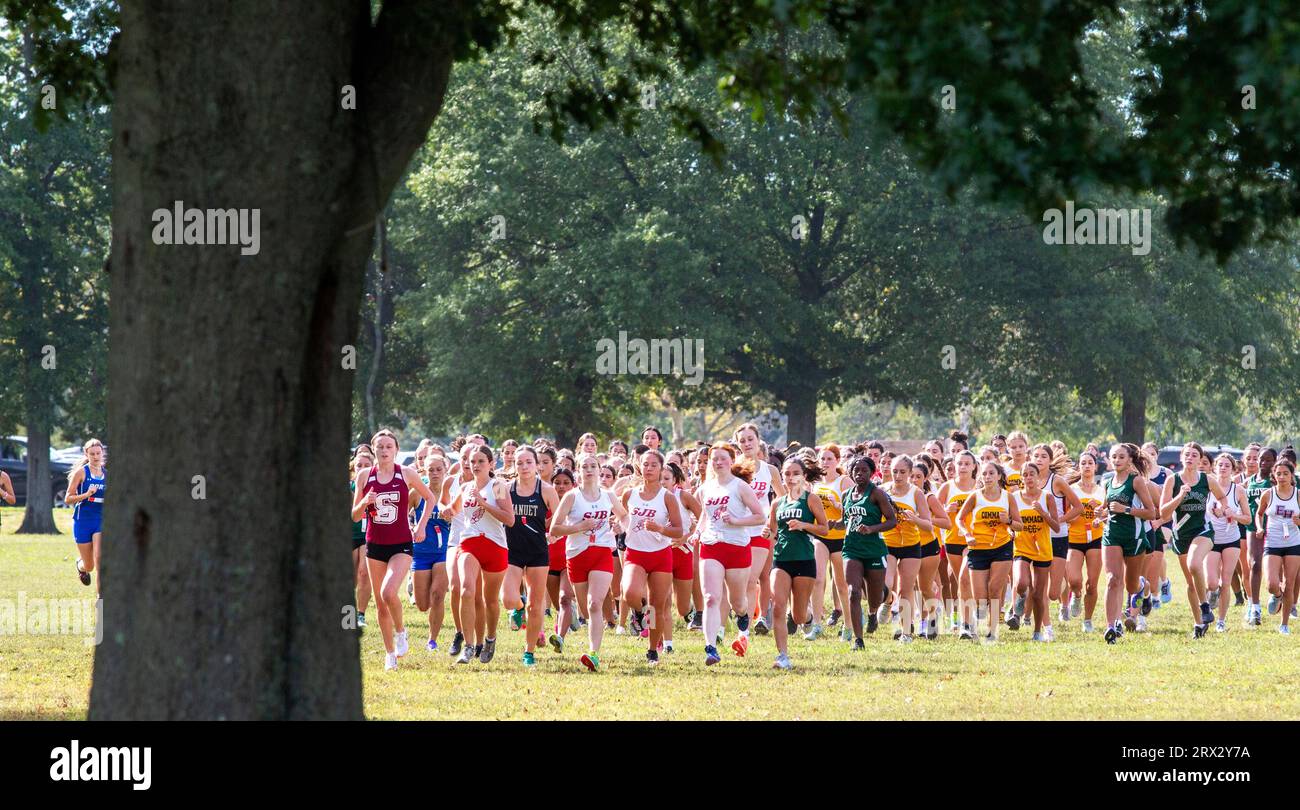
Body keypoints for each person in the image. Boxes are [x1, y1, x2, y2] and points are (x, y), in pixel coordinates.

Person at [351, 429, 440, 671]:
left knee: (389, 592)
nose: (384, 451)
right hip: (375, 544)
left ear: (396, 450)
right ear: (373, 449)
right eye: (380, 446)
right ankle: (390, 654)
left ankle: (401, 632)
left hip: (401, 544)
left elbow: (430, 499)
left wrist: (421, 526)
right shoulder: (363, 476)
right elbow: (354, 514)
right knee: (380, 604)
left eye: (389, 446)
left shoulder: (406, 473)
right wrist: (363, 502)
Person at [689, 443, 767, 665]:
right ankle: (711, 648)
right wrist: (697, 533)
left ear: (731, 461)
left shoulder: (740, 487)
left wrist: (736, 521)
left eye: (723, 458)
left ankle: (744, 616)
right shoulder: (706, 488)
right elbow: (705, 515)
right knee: (711, 598)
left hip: (737, 547)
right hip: (711, 545)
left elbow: (759, 517)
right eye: (715, 459)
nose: (718, 462)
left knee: (737, 601)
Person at [551, 453, 629, 671]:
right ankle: (577, 618)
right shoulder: (572, 497)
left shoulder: (608, 495)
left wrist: (620, 527)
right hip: (577, 555)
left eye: (592, 466)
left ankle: (593, 653)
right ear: (578, 471)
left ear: (598, 469)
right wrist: (580, 527)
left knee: (595, 603)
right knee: (586, 610)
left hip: (602, 552)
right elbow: (555, 528)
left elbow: (623, 516)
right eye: (584, 466)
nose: (589, 470)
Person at [452, 444, 517, 664]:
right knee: (467, 591)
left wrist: (483, 503)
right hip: (469, 543)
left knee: (490, 601)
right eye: (472, 461)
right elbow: (453, 508)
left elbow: (509, 519)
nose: (476, 465)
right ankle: (469, 646)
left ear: (491, 464)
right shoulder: (465, 487)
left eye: (481, 461)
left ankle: (490, 638)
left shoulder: (497, 486)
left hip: (495, 546)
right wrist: (443, 510)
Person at [1158, 442, 1231, 639]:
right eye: (1187, 454)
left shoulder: (1207, 480)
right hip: (1181, 535)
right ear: (1181, 458)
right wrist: (1180, 496)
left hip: (1203, 531)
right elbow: (1163, 512)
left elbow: (1222, 498)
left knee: (1194, 563)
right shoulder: (1172, 481)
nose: (1190, 457)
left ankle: (1205, 605)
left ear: (1200, 460)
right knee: (1191, 582)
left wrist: (1222, 508)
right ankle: (1199, 623)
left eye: (1194, 455)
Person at [620, 449, 685, 665]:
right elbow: (621, 519)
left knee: (657, 605)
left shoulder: (667, 497)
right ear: (639, 466)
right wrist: (617, 526)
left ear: (661, 468)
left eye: (653, 465)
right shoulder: (630, 494)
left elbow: (678, 530)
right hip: (635, 553)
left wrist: (660, 528)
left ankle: (652, 651)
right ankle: (638, 613)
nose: (648, 468)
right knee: (630, 593)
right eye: (645, 464)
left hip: (660, 555)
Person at [768, 456, 830, 669]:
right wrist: (767, 532)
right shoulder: (777, 502)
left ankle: (810, 616)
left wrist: (804, 525)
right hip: (781, 560)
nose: (791, 477)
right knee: (777, 607)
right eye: (787, 473)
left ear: (803, 477)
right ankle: (782, 656)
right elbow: (772, 532)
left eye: (795, 473)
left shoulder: (811, 499)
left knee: (799, 616)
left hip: (804, 560)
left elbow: (824, 529)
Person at [502, 446, 560, 666]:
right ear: (514, 466)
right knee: (508, 598)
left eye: (528, 462)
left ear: (537, 465)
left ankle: (529, 652)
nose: (524, 467)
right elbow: (497, 515)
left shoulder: (546, 489)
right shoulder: (505, 489)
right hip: (511, 550)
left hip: (537, 552)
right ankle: (518, 607)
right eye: (520, 463)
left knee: (536, 606)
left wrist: (552, 532)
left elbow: (558, 515)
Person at [1098, 443, 1160, 643]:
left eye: (1121, 457)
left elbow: (1152, 512)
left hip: (1134, 536)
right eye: (1113, 456)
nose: (1116, 460)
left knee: (1131, 586)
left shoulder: (1137, 481)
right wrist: (1101, 514)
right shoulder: (1107, 482)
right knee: (1112, 580)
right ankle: (1112, 625)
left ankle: (1143, 586)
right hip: (1112, 535)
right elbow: (1107, 508)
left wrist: (1126, 510)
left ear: (1130, 460)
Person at [956, 460, 1022, 641]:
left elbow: (1020, 526)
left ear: (999, 476)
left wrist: (1008, 521)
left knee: (994, 589)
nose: (987, 477)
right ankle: (978, 619)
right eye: (984, 474)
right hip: (977, 548)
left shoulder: (1008, 497)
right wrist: (967, 534)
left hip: (1002, 547)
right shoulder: (975, 496)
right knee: (980, 599)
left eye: (991, 473)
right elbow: (959, 519)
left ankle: (992, 633)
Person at [734, 423, 784, 636]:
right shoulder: (733, 469)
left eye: (750, 439)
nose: (747, 444)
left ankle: (747, 628)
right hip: (735, 531)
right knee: (739, 580)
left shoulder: (769, 470)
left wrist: (774, 522)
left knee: (753, 577)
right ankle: (739, 615)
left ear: (758, 441)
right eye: (742, 440)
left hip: (761, 530)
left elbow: (782, 498)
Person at [841, 455, 897, 648]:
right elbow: (845, 522)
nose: (860, 474)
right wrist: (833, 525)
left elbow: (892, 520)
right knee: (853, 593)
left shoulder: (877, 494)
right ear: (851, 473)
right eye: (856, 470)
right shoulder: (846, 495)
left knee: (874, 599)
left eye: (864, 470)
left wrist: (872, 529)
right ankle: (858, 639)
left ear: (872, 473)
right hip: (851, 549)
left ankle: (880, 603)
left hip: (874, 550)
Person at [1008, 463, 1060, 640]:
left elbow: (1057, 527)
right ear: (1021, 478)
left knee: (1038, 594)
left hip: (1043, 550)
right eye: (1025, 475)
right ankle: (1020, 600)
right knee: (1021, 582)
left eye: (1032, 474)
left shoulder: (1047, 498)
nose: (1029, 478)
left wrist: (1043, 513)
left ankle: (1037, 631)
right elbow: (1010, 523)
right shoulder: (1014, 498)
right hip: (1022, 547)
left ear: (1038, 477)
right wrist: (1010, 531)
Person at [808, 445, 850, 640]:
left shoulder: (844, 481)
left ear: (837, 461)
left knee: (841, 583)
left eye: (829, 459)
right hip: (821, 536)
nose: (825, 462)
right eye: (822, 459)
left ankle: (849, 625)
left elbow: (854, 510)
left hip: (841, 538)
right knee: (817, 579)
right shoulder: (815, 483)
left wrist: (838, 505)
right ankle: (816, 624)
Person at [1205, 452, 1250, 632]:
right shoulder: (1207, 487)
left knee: (1225, 580)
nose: (1223, 468)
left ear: (1233, 469)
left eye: (1227, 465)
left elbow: (1248, 518)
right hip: (1210, 539)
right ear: (1214, 467)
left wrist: (1234, 515)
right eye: (1220, 465)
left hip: (1231, 539)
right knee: (1211, 583)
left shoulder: (1238, 490)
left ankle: (1221, 622)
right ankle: (1211, 596)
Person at [410, 452, 451, 649]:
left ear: (445, 470)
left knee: (437, 595)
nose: (435, 473)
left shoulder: (451, 493)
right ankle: (431, 635)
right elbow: (402, 516)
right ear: (424, 471)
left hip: (444, 552)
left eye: (438, 469)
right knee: (422, 605)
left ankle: (432, 640)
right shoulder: (416, 493)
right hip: (421, 552)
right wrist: (411, 529)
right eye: (430, 470)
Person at [1063, 452, 1105, 632]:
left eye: (1090, 463)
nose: (1087, 466)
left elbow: (1107, 515)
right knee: (1074, 580)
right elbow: (1065, 516)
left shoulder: (1102, 490)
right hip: (1074, 538)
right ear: (1078, 467)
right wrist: (1075, 515)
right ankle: (1076, 595)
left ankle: (1087, 620)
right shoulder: (1071, 489)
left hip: (1096, 538)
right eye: (1083, 463)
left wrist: (1100, 516)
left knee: (1092, 584)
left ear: (1095, 466)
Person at [1257, 459, 1300, 633]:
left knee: (1289, 584)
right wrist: (1259, 527)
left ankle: (1284, 625)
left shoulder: (1298, 495)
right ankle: (1276, 596)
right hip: (1272, 541)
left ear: (1292, 475)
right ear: (1274, 475)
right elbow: (1259, 514)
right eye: (1278, 473)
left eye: (1285, 473)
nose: (1282, 477)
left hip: (1293, 543)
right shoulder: (1268, 494)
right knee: (1272, 583)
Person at [65, 439, 107, 595]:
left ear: (102, 453)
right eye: (92, 454)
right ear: (86, 454)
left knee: (100, 559)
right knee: (89, 566)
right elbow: (68, 498)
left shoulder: (108, 475)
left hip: (101, 521)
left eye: (98, 453)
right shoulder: (82, 472)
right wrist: (86, 494)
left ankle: (101, 600)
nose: (96, 456)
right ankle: (80, 566)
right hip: (82, 521)